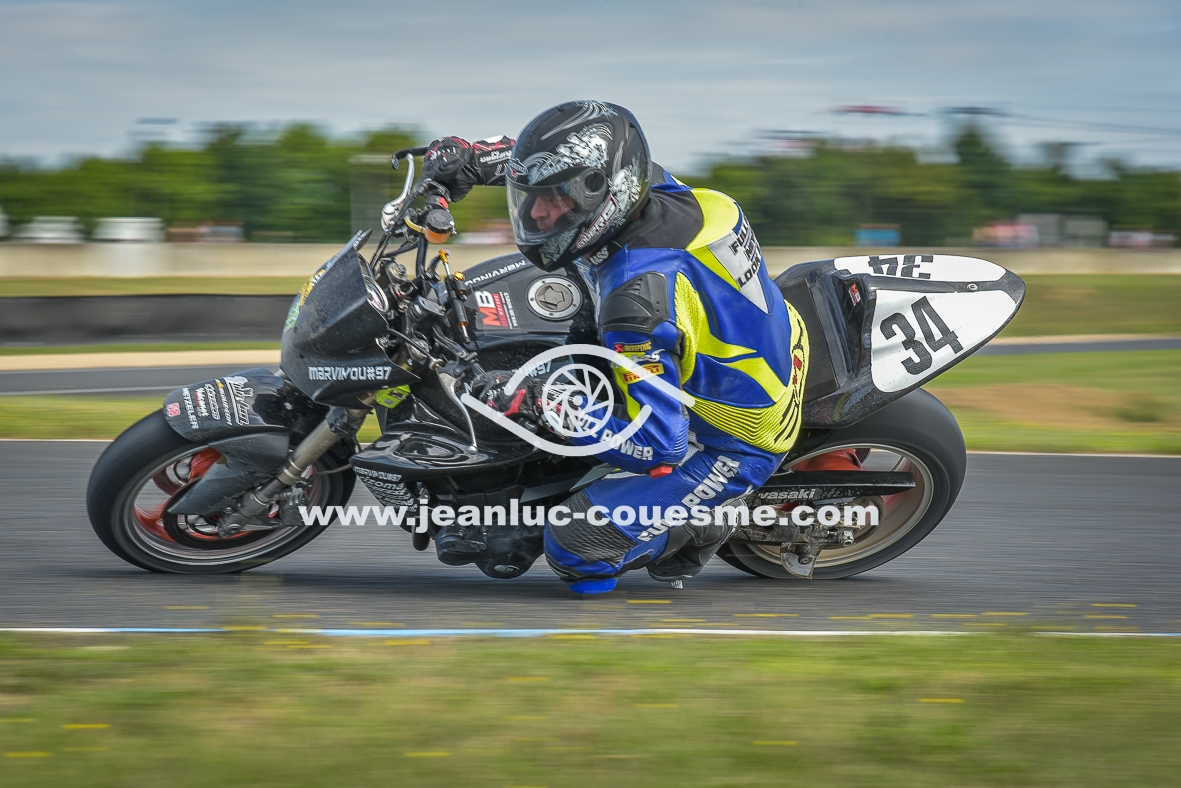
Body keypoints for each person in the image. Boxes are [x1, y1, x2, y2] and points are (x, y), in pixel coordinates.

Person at [422, 100, 810, 594]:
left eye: (553, 199)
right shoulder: (650, 189)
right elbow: (556, 166)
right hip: (756, 339)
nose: (536, 213)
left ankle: (704, 524)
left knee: (573, 542)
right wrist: (474, 158)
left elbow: (659, 447)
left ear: (602, 194)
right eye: (531, 196)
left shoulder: (635, 303)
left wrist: (544, 402)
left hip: (737, 434)